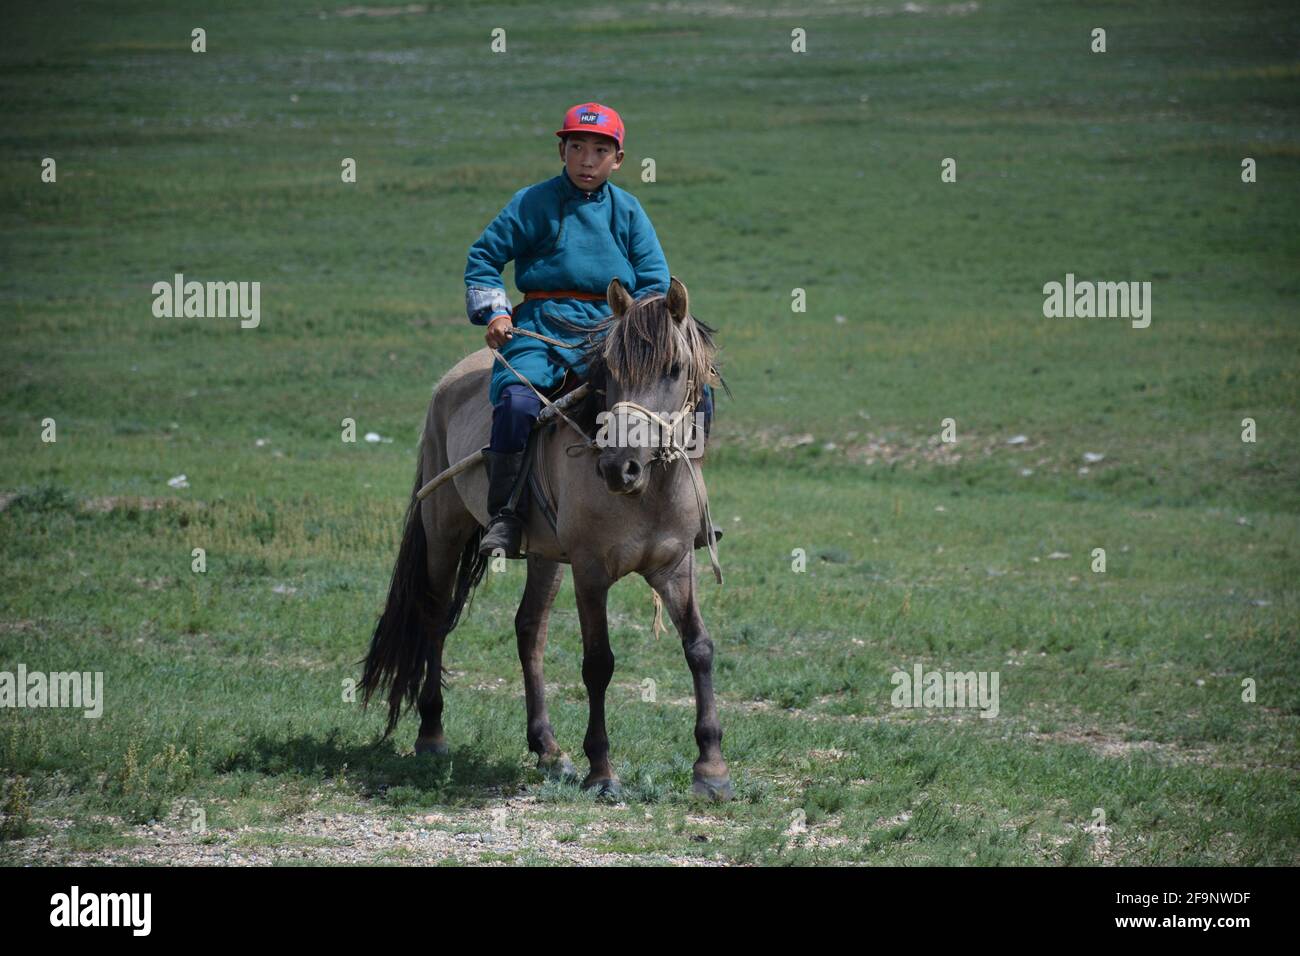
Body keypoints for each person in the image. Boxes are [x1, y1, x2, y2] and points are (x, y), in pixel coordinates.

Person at [464, 101, 717, 558]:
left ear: (617, 160)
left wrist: (639, 329)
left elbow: (655, 280)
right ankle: (505, 515)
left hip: (611, 335)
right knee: (518, 403)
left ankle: (690, 507)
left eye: (599, 151)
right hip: (540, 328)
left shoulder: (628, 211)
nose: (586, 160)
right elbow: (483, 257)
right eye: (576, 147)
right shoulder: (532, 202)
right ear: (562, 151)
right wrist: (496, 313)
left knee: (697, 394)